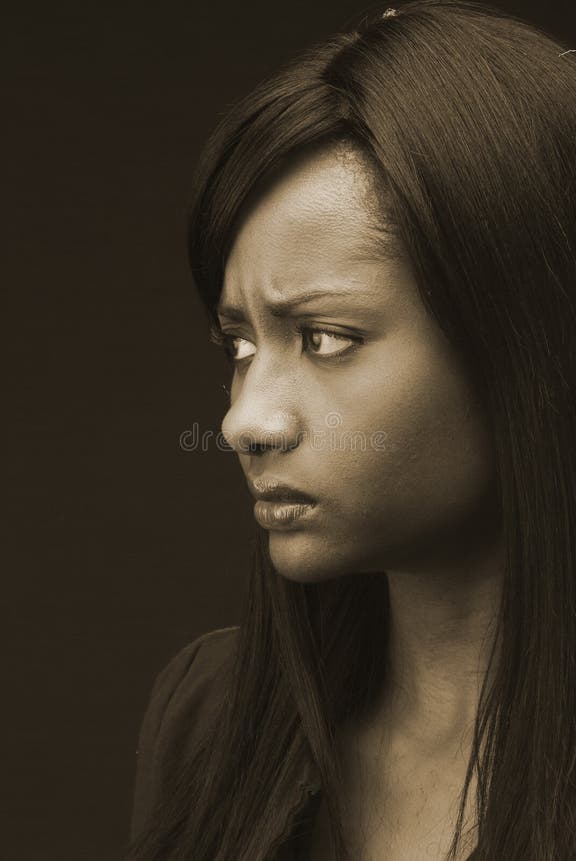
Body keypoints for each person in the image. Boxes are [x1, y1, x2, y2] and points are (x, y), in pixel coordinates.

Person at [125, 1, 576, 858]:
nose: (244, 419)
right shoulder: (208, 721)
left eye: (326, 339)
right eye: (240, 344)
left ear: (524, 340)